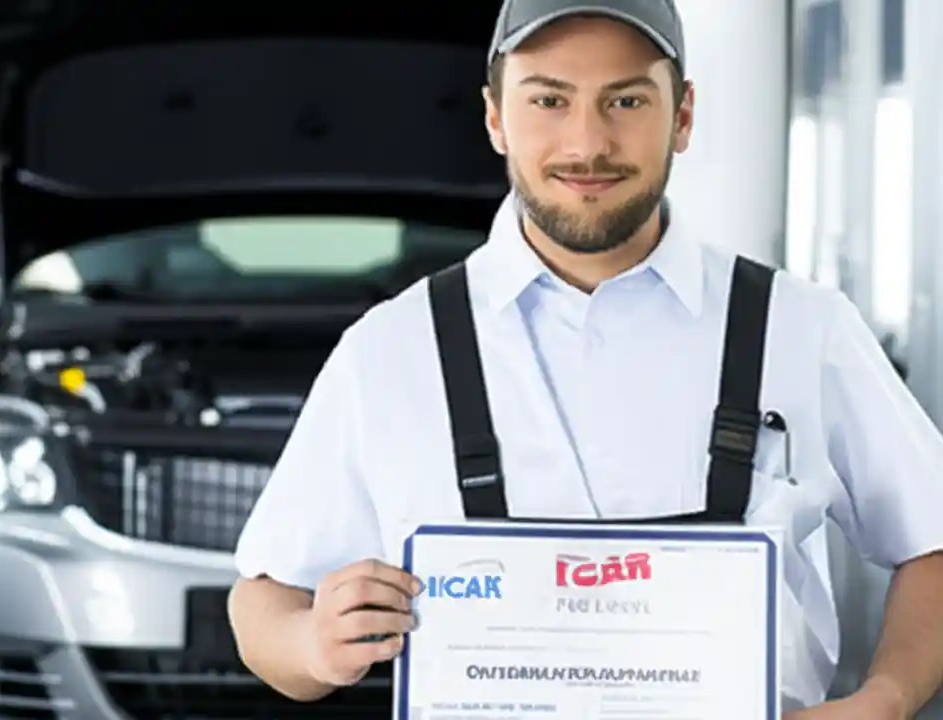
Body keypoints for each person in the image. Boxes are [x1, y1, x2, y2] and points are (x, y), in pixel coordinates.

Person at [227, 0, 943, 717]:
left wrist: (884, 699)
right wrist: (311, 644)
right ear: (496, 117)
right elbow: (262, 603)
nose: (588, 143)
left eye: (626, 99)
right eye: (548, 99)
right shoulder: (389, 350)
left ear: (683, 115)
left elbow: (934, 539)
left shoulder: (802, 329)